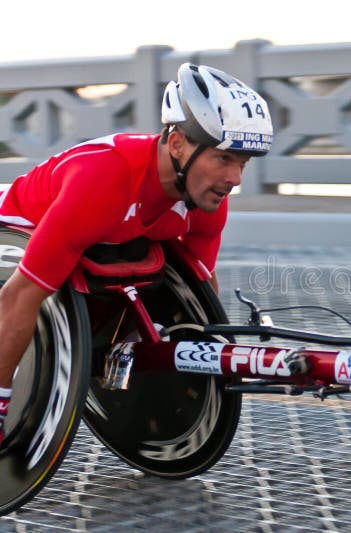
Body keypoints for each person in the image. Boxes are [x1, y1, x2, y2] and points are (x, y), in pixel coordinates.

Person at [0, 63, 273, 447]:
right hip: (19, 232)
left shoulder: (205, 199)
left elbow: (199, 293)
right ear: (177, 143)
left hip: (96, 240)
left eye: (242, 164)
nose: (236, 179)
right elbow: (18, 295)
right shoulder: (104, 179)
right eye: (223, 159)